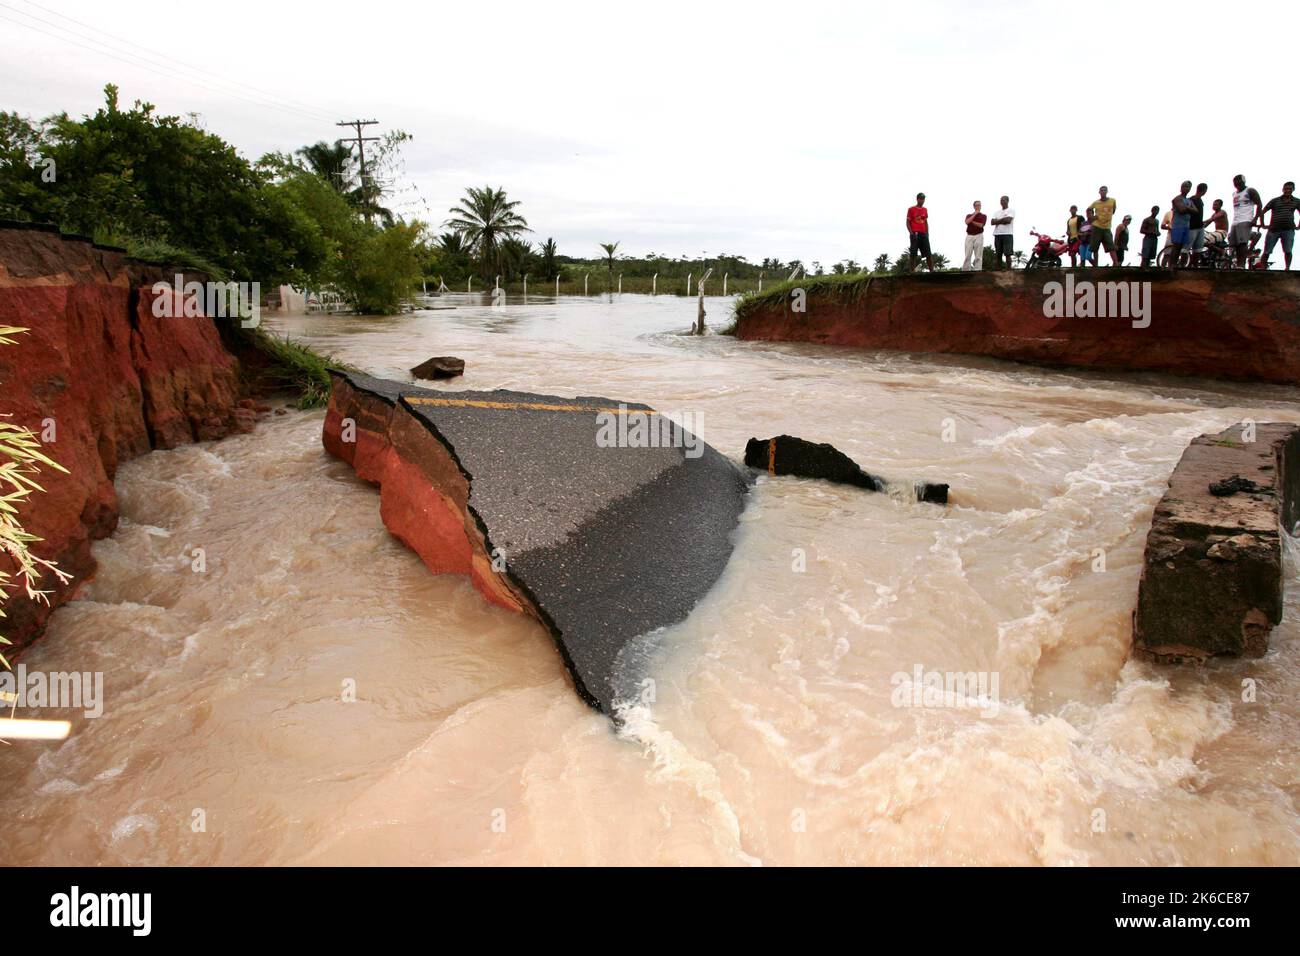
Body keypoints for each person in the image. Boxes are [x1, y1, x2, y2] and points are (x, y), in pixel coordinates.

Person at [1259, 182, 1299, 270]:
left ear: (1293, 190)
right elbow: (1263, 211)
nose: (1287, 190)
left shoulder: (1296, 201)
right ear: (1283, 189)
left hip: (1288, 229)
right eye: (1286, 189)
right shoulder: (1275, 200)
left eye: (1290, 189)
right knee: (1267, 251)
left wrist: (1299, 226)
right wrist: (1262, 224)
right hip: (1274, 229)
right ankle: (1263, 268)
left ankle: (1287, 268)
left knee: (1288, 250)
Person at [1231, 174, 1263, 268]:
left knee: (1242, 243)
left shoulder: (1250, 190)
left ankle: (1241, 264)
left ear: (1243, 181)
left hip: (1246, 219)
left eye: (1239, 181)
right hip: (1235, 220)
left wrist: (1255, 218)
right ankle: (1238, 264)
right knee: (1235, 244)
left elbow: (1259, 204)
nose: (1237, 184)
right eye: (1235, 182)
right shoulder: (1234, 193)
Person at [1086, 186, 1118, 266]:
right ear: (1099, 192)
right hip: (1097, 227)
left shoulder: (1112, 200)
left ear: (1107, 191)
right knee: (1095, 247)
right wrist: (1091, 217)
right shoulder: (1096, 202)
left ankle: (1115, 263)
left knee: (1111, 246)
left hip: (1107, 227)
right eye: (1101, 190)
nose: (1103, 191)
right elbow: (1088, 209)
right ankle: (1096, 265)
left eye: (1104, 190)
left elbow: (1113, 210)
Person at [1169, 180, 1196, 266]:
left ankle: (1175, 265)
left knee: (1181, 247)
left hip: (1186, 226)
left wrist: (1187, 208)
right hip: (1177, 225)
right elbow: (1181, 210)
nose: (1186, 188)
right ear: (1181, 188)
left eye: (1188, 187)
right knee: (1176, 246)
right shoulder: (1177, 198)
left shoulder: (1189, 200)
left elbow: (1196, 211)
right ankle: (1171, 265)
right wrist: (1189, 208)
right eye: (1185, 186)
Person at [906, 192, 934, 272]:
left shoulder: (925, 210)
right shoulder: (911, 209)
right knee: (913, 254)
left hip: (924, 233)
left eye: (923, 199)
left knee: (928, 253)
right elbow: (907, 222)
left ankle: (932, 271)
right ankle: (912, 272)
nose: (922, 200)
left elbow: (925, 222)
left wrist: (927, 233)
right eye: (921, 199)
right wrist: (911, 233)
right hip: (915, 233)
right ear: (917, 199)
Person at [990, 196, 1015, 269]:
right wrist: (1002, 221)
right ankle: (998, 271)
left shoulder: (1011, 210)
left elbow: (1008, 220)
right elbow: (992, 222)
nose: (1002, 202)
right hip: (997, 234)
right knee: (998, 254)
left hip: (1007, 234)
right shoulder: (997, 212)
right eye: (1001, 200)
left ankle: (1009, 270)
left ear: (1007, 201)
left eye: (1003, 200)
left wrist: (997, 221)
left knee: (1008, 254)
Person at [962, 200, 986, 271]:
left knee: (978, 255)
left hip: (979, 235)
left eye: (979, 205)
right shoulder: (969, 215)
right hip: (969, 235)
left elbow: (981, 225)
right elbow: (966, 222)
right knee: (967, 255)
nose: (978, 206)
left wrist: (971, 222)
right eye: (977, 205)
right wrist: (975, 214)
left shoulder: (983, 216)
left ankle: (977, 270)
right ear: (974, 206)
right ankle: (966, 270)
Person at [1189, 183, 1208, 259]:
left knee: (1198, 249)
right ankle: (1183, 265)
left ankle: (1194, 266)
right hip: (1192, 226)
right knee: (1187, 247)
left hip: (1199, 226)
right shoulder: (1192, 199)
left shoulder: (1199, 200)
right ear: (1204, 190)